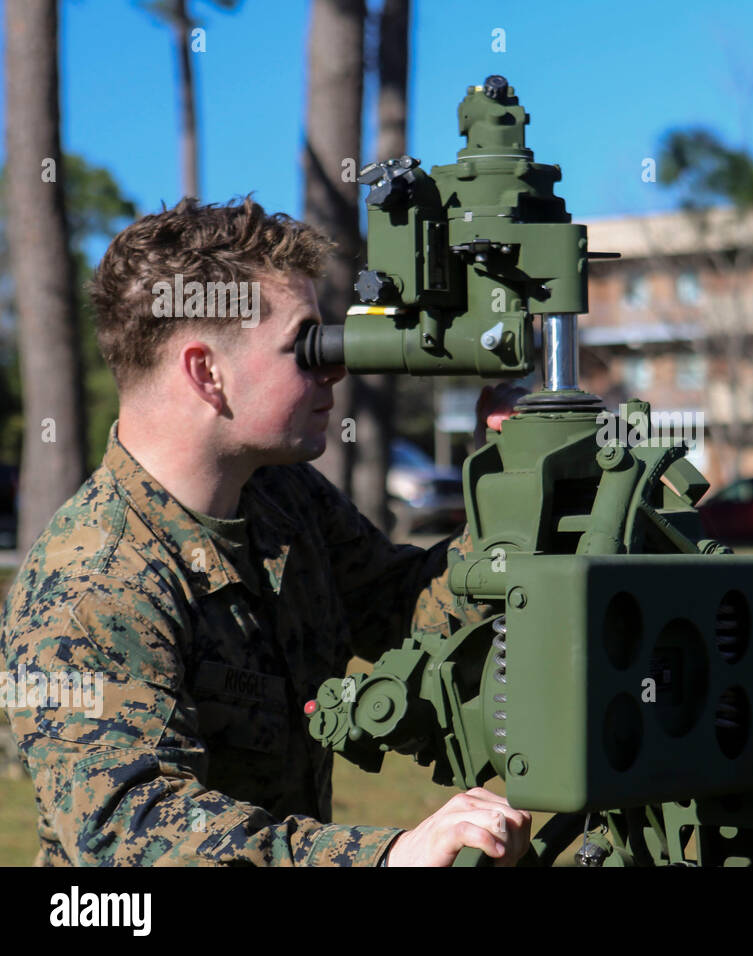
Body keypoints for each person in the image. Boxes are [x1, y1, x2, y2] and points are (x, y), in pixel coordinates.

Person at [0, 196, 531, 866]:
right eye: (306, 346)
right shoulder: (90, 585)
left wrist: (515, 482)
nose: (335, 369)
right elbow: (134, 832)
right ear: (206, 373)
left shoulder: (281, 500)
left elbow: (404, 608)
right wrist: (388, 857)